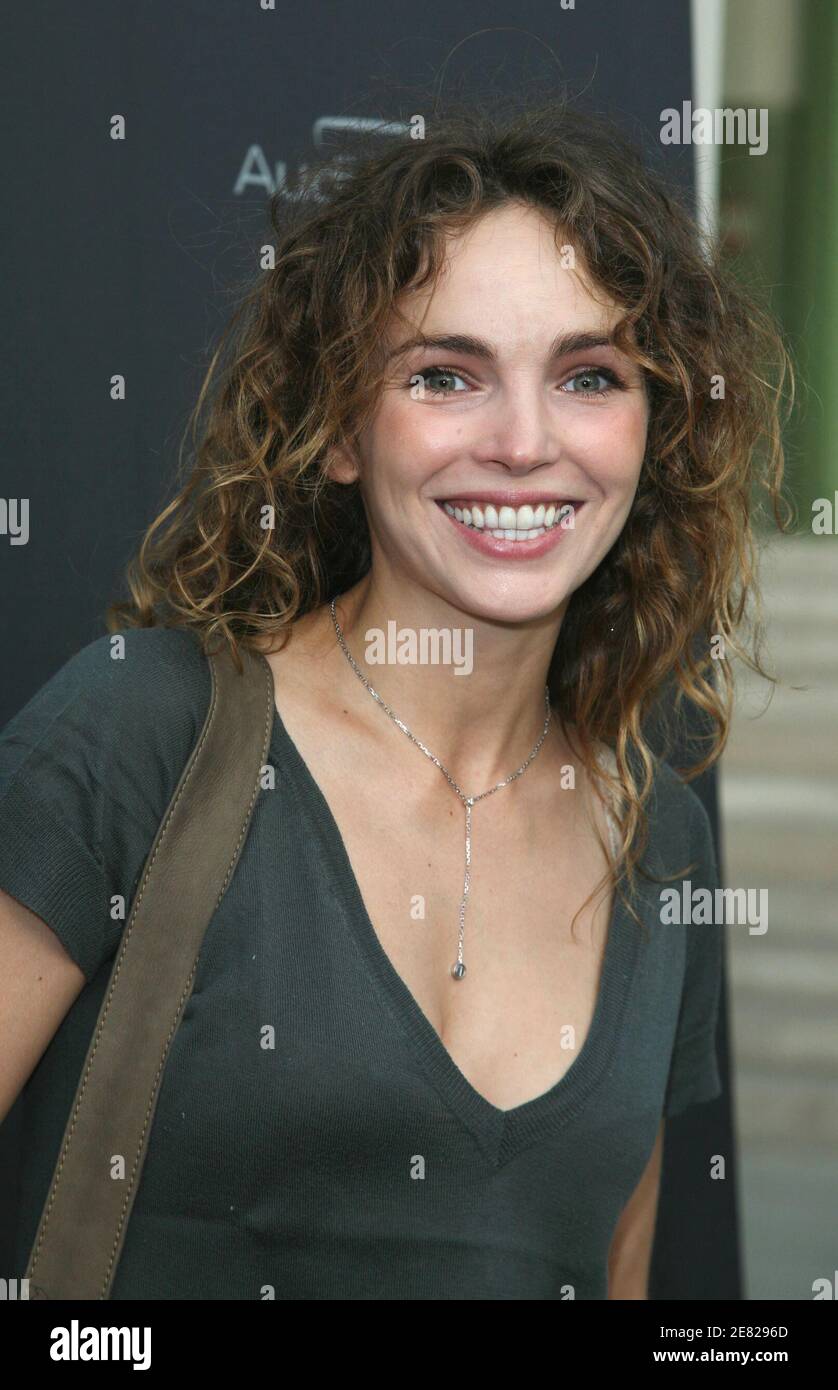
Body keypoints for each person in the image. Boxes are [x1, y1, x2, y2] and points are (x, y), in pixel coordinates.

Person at [0, 97, 791, 1300]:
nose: (525, 443)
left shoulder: (657, 850)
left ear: (655, 431)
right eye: (444, 375)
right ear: (337, 432)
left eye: (588, 375)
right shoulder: (138, 735)